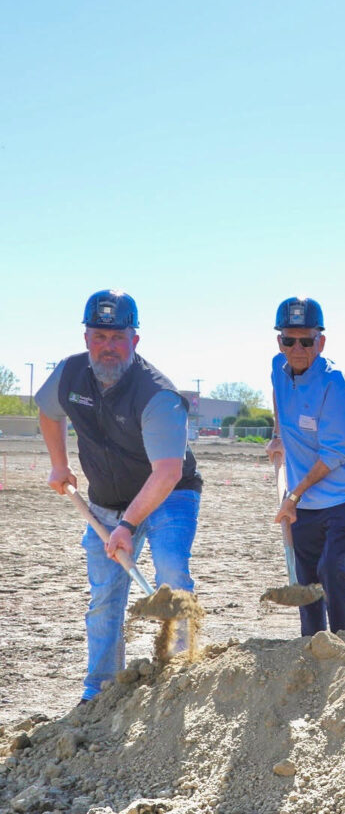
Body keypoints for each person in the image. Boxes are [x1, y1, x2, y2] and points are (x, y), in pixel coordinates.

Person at [37, 291, 202, 702]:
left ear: (134, 340)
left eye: (117, 337)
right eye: (99, 336)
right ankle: (100, 688)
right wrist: (59, 464)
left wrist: (127, 525)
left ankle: (181, 672)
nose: (107, 346)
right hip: (105, 502)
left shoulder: (157, 394)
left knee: (171, 574)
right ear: (86, 338)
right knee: (104, 597)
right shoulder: (70, 374)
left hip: (168, 496)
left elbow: (168, 472)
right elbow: (48, 411)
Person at [266, 297, 345, 636]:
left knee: (331, 569)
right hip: (307, 500)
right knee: (306, 581)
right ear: (280, 342)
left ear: (321, 342)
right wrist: (278, 434)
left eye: (306, 341)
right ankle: (312, 644)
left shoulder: (334, 384)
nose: (297, 349)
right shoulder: (278, 366)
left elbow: (334, 454)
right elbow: (277, 391)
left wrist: (294, 496)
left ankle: (343, 643)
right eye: (289, 340)